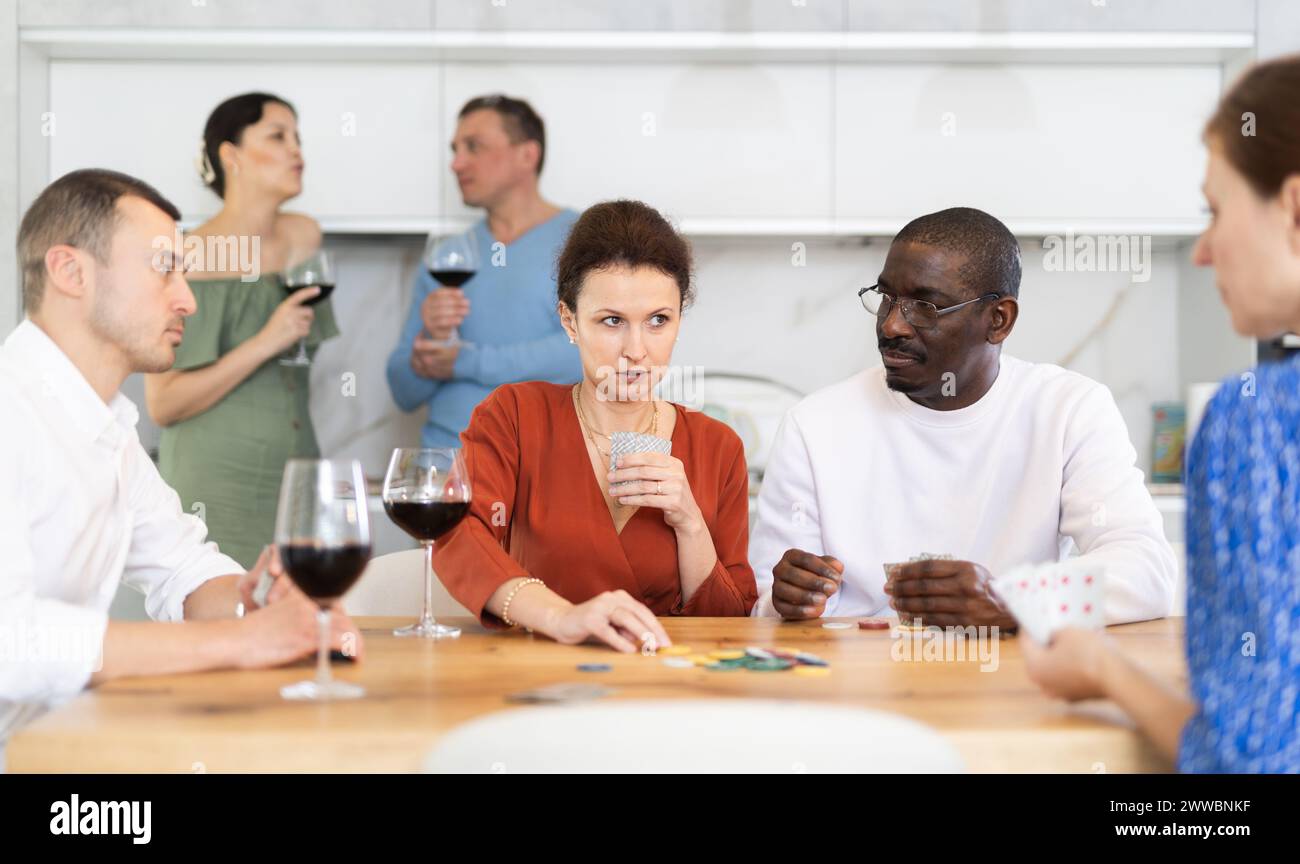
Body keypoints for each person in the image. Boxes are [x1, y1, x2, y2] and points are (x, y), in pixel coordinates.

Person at [0, 169, 362, 766]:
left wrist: (262, 601)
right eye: (164, 267)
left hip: (51, 751)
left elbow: (184, 569)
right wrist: (240, 641)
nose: (187, 298)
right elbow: (11, 639)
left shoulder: (108, 427)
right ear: (70, 272)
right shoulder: (11, 414)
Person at [1024, 55, 1300, 772]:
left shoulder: (1258, 424)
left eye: (1215, 210)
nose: (1204, 251)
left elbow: (1247, 763)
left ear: (1295, 209)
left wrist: (1106, 671)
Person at [750, 206, 1177, 627]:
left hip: (1011, 681)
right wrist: (788, 599)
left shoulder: (1068, 410)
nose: (892, 325)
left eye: (925, 306)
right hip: (856, 680)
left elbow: (1146, 570)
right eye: (886, 298)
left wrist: (1013, 602)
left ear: (999, 320)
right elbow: (767, 602)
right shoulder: (815, 424)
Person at [433, 200, 757, 651]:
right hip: (542, 677)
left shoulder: (717, 446)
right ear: (569, 321)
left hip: (670, 689)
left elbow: (728, 625)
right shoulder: (514, 416)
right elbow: (460, 534)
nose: (636, 350)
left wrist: (689, 522)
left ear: (679, 319)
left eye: (658, 321)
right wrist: (561, 617)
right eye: (612, 321)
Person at [145, 92, 337, 568]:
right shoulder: (186, 255)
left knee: (301, 628)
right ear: (231, 156)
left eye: (298, 137)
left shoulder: (304, 237)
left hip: (299, 476)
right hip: (216, 485)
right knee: (221, 624)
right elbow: (163, 404)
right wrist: (266, 341)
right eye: (278, 136)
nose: (298, 151)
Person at [387, 94, 582, 447]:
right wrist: (428, 345)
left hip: (544, 466)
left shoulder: (586, 240)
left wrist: (466, 361)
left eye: (473, 147)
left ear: (527, 154)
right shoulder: (449, 257)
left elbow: (592, 352)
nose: (457, 164)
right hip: (448, 468)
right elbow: (403, 391)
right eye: (454, 150)